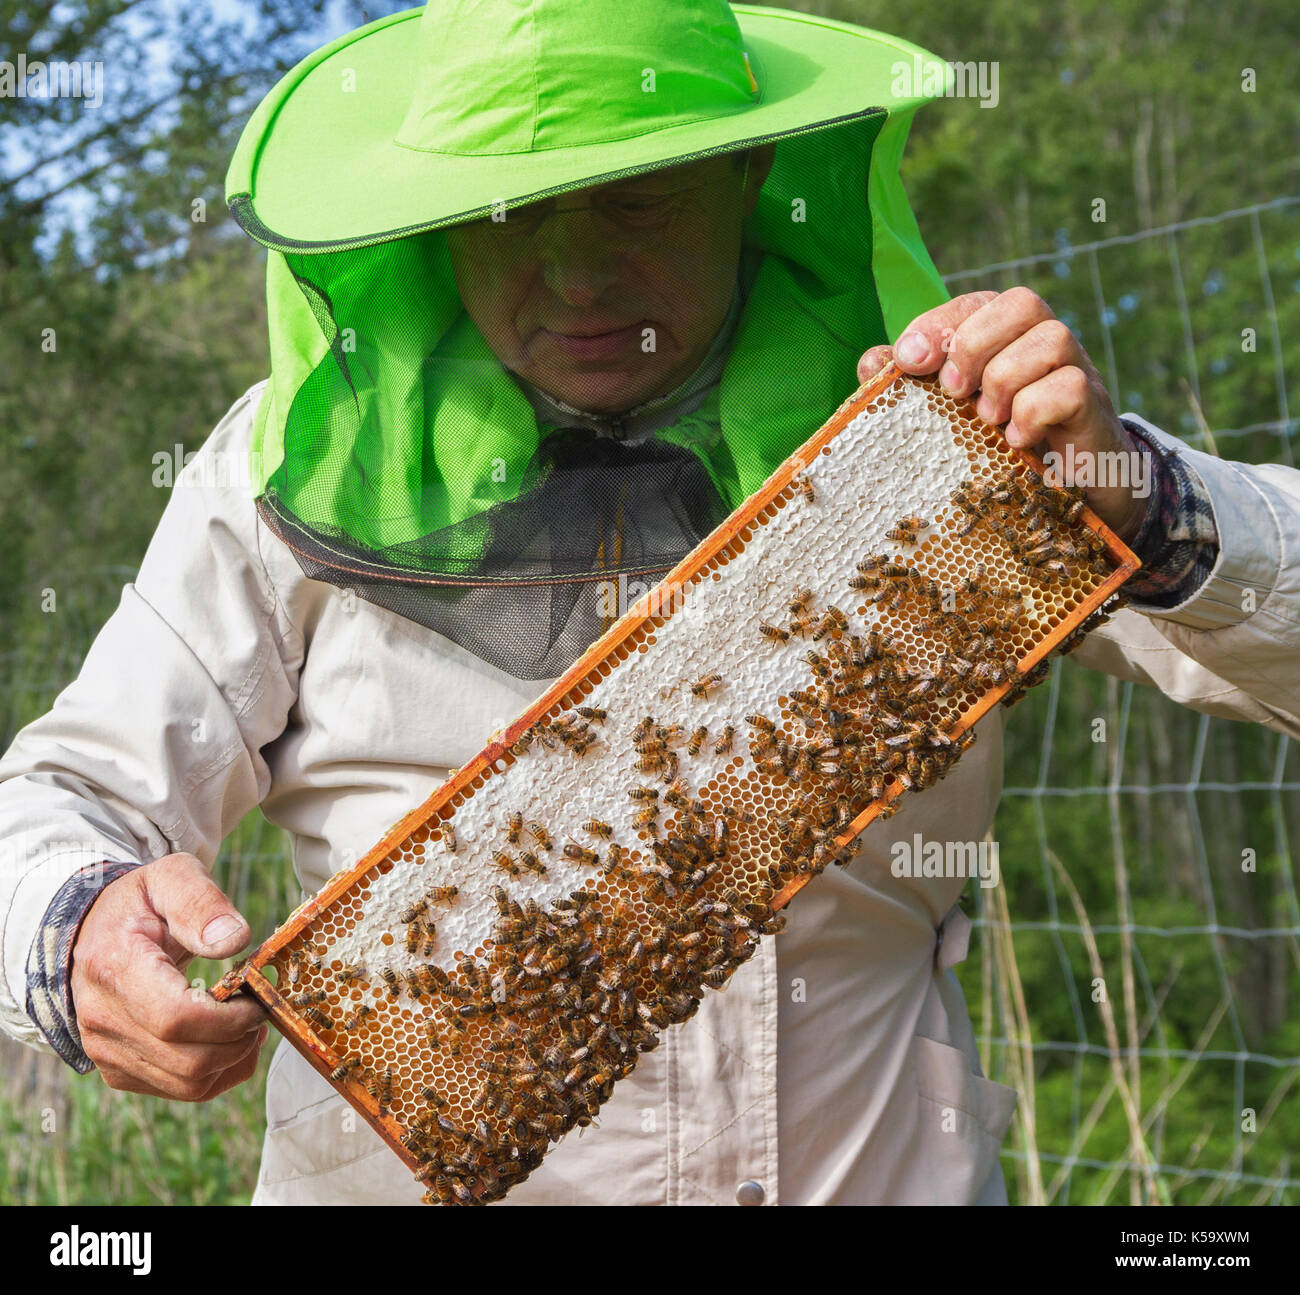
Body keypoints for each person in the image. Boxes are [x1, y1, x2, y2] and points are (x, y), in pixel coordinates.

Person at [2, 0, 1298, 1206]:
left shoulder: (951, 430)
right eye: (510, 213)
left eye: (630, 201)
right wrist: (75, 934)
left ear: (746, 176)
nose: (572, 275)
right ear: (433, 219)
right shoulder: (289, 469)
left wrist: (1148, 502)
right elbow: (61, 796)